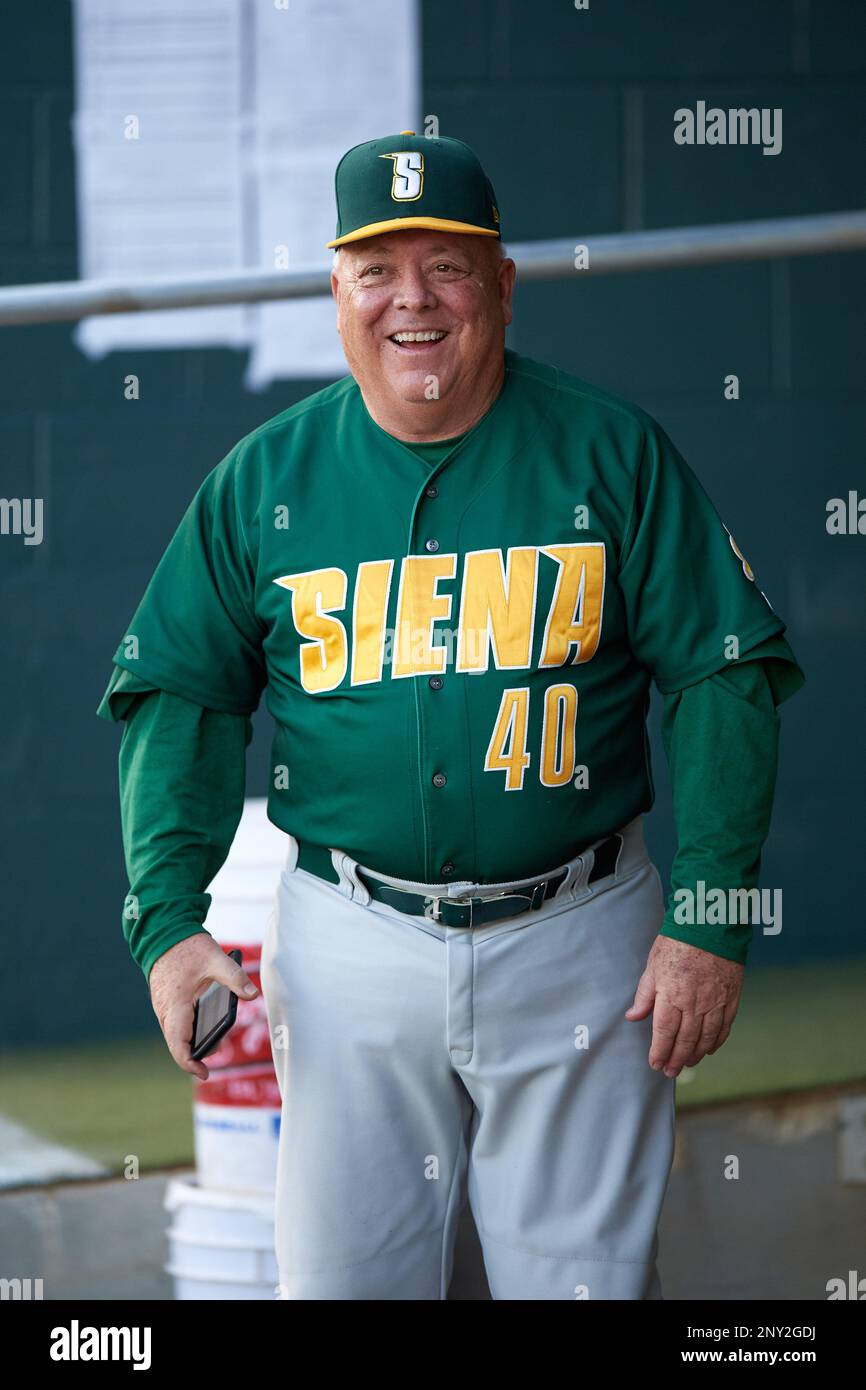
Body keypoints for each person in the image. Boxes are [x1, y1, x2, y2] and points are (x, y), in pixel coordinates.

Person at [97, 131, 805, 1300]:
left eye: (448, 266)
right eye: (375, 269)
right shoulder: (263, 479)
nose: (409, 300)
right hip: (349, 935)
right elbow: (178, 693)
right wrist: (167, 924)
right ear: (336, 290)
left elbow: (723, 673)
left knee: (584, 1288)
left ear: (502, 283)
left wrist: (711, 917)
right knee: (342, 1288)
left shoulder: (610, 451)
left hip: (585, 938)